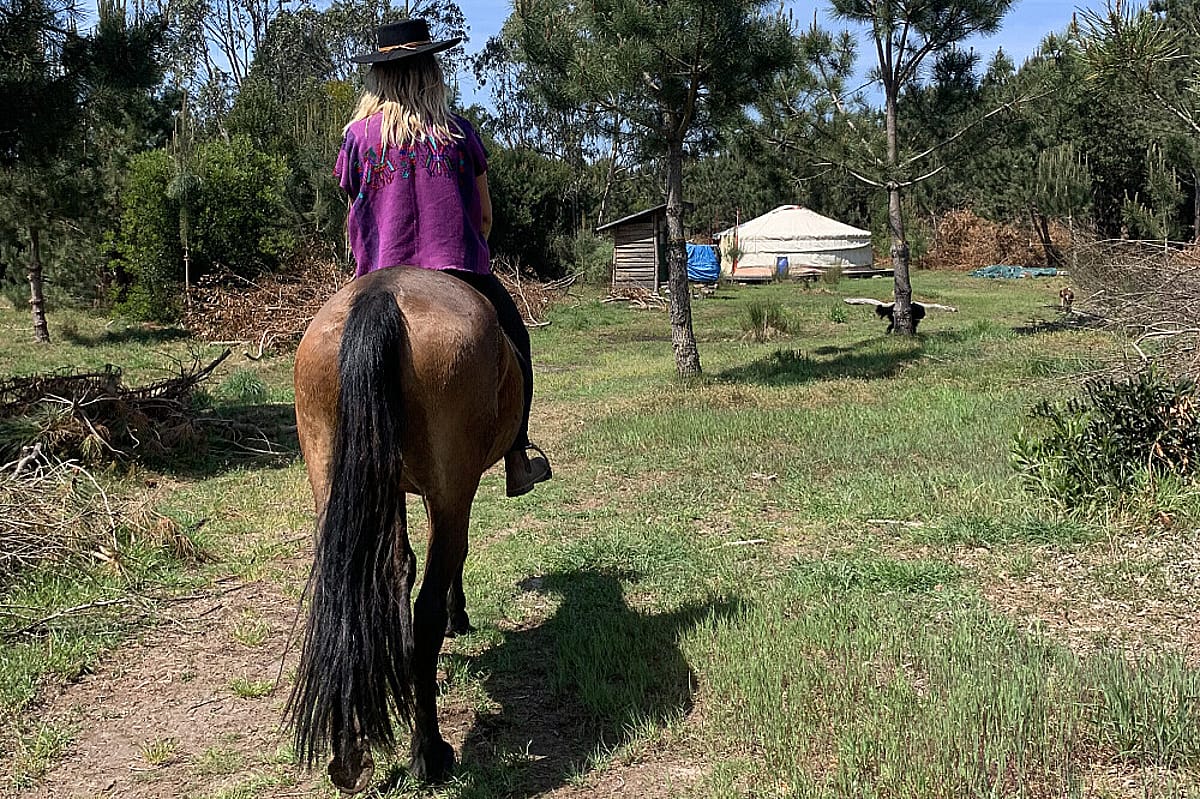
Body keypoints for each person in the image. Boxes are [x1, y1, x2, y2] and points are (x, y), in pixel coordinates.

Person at [336, 18, 551, 497]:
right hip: (458, 271)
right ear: (432, 71)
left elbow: (353, 205)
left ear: (379, 77)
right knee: (516, 338)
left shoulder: (358, 138)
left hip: (378, 276)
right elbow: (485, 219)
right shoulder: (458, 134)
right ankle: (517, 455)